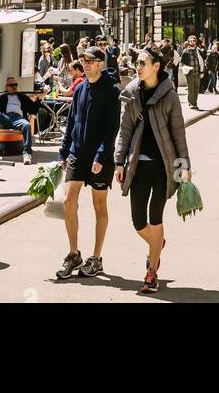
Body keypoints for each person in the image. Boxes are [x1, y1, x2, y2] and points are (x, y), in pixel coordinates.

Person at [115, 43, 191, 294]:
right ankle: (157, 245)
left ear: (156, 67)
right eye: (137, 63)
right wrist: (118, 161)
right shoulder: (132, 92)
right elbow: (125, 130)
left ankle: (152, 272)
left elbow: (178, 133)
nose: (138, 67)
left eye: (142, 63)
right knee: (138, 222)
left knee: (155, 216)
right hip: (137, 167)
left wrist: (184, 166)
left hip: (162, 168)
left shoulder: (169, 95)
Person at [56, 47, 121, 280]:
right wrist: (63, 152)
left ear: (101, 64)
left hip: (100, 158)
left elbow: (112, 128)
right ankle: (74, 254)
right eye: (84, 60)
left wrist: (101, 157)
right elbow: (71, 122)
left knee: (99, 205)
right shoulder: (80, 88)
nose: (87, 64)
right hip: (77, 153)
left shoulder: (112, 90)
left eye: (92, 61)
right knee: (68, 201)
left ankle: (96, 258)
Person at [0, 76, 39, 163]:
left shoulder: (21, 96)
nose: (14, 87)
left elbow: (33, 109)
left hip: (18, 118)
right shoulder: (2, 96)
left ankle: (27, 154)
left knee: (27, 125)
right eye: (11, 85)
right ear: (6, 87)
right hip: (4, 118)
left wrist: (40, 98)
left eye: (15, 85)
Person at [179, 37, 204, 110]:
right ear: (188, 42)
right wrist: (186, 68)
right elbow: (182, 62)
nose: (192, 42)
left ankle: (194, 103)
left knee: (196, 89)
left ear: (195, 42)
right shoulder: (185, 51)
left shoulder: (198, 51)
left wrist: (202, 71)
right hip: (189, 73)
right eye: (190, 41)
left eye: (193, 41)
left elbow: (202, 62)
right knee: (191, 89)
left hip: (197, 72)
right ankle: (191, 104)